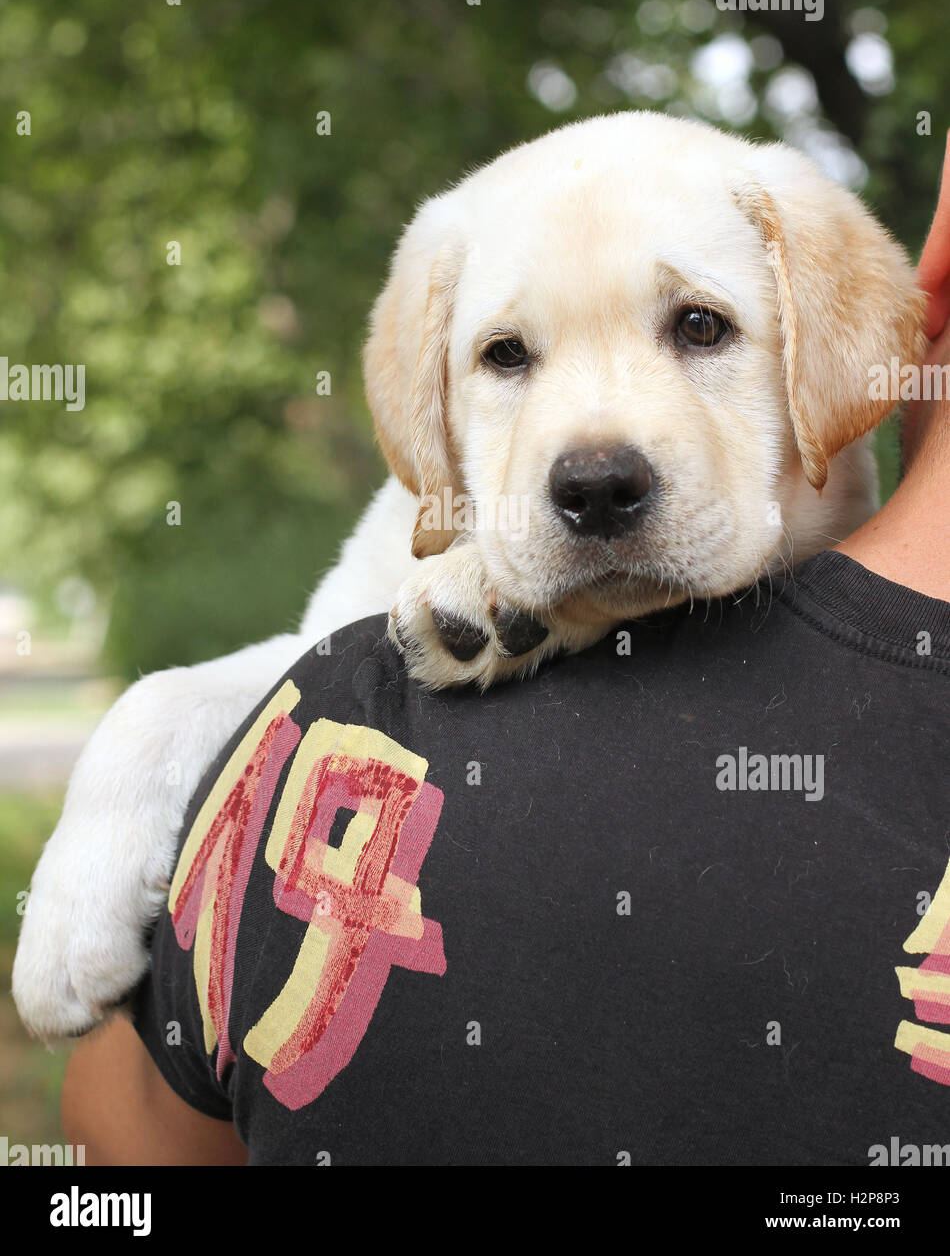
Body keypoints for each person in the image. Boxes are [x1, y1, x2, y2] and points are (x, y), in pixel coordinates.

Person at [61, 139, 950, 1166]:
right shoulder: (414, 584)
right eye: (508, 357)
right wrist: (148, 737)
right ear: (429, 404)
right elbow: (314, 649)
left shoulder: (348, 711)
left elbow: (119, 1138)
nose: (597, 462)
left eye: (697, 327)